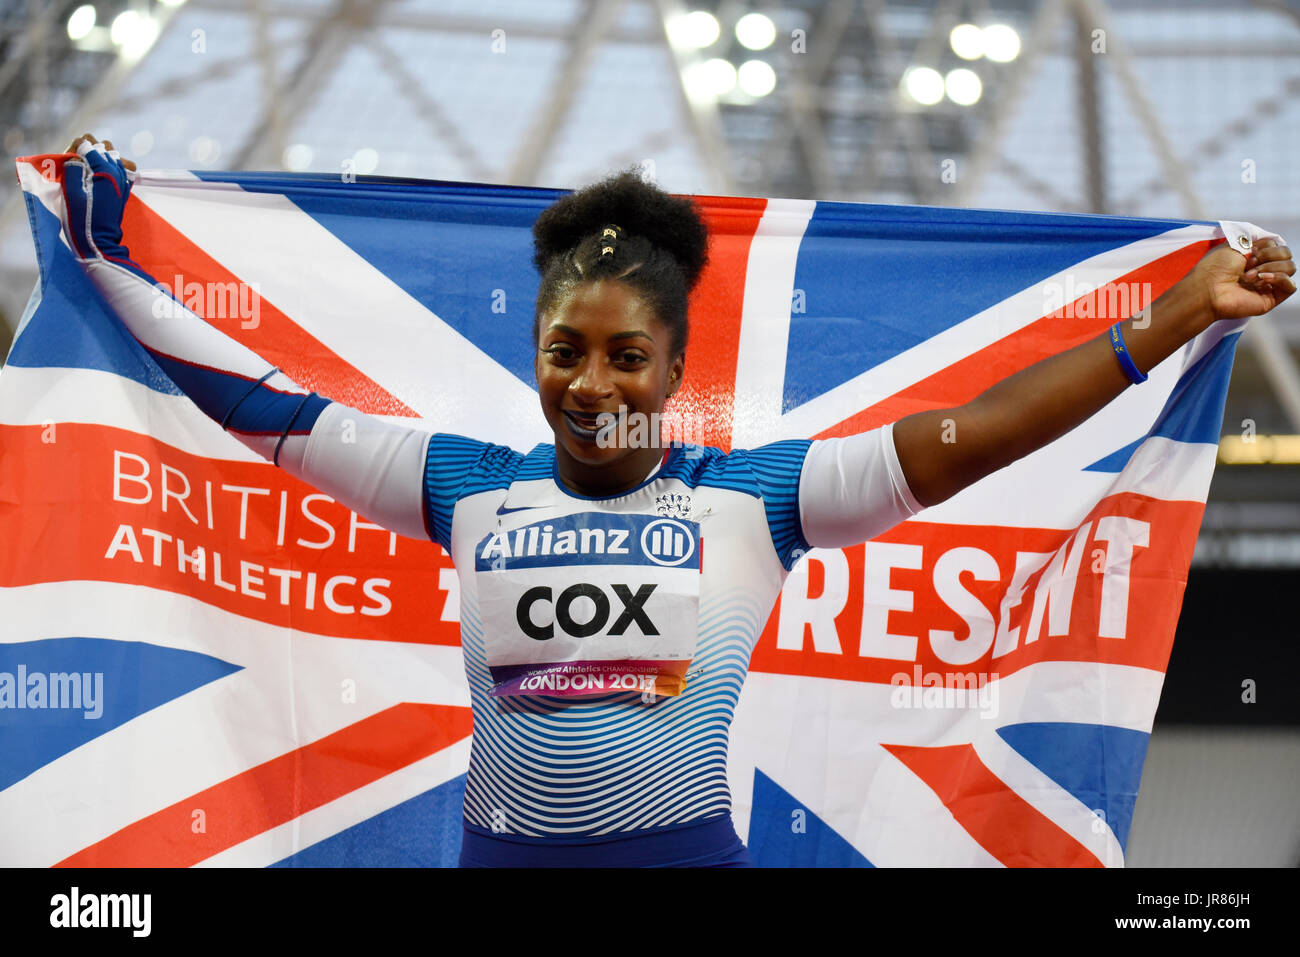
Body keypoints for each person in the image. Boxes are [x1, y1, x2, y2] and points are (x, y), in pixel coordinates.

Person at [59, 134, 1294, 867]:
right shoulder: (460, 490)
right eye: (563, 350)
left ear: (672, 367)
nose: (590, 385)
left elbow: (984, 435)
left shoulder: (759, 500)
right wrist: (108, 260)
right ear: (536, 348)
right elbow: (256, 402)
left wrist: (1185, 309)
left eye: (625, 356)